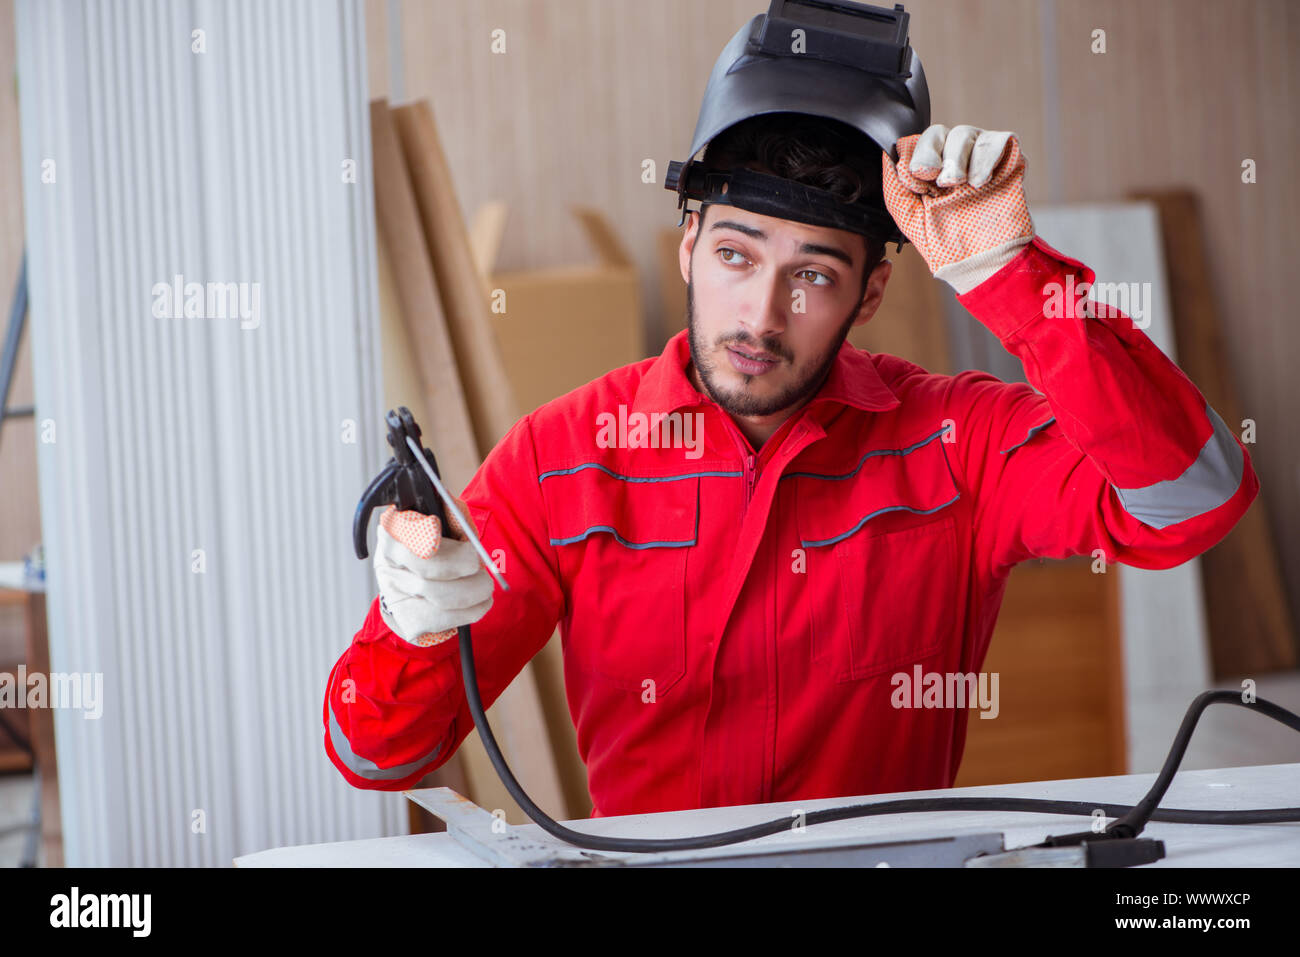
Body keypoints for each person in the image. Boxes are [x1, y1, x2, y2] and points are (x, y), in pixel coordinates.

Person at [323, 9, 1257, 818]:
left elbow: (1191, 499)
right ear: (688, 245)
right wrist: (412, 629)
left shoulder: (954, 440)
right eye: (737, 256)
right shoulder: (564, 459)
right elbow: (378, 756)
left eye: (813, 274)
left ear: (874, 289)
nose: (761, 318)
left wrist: (1016, 277)